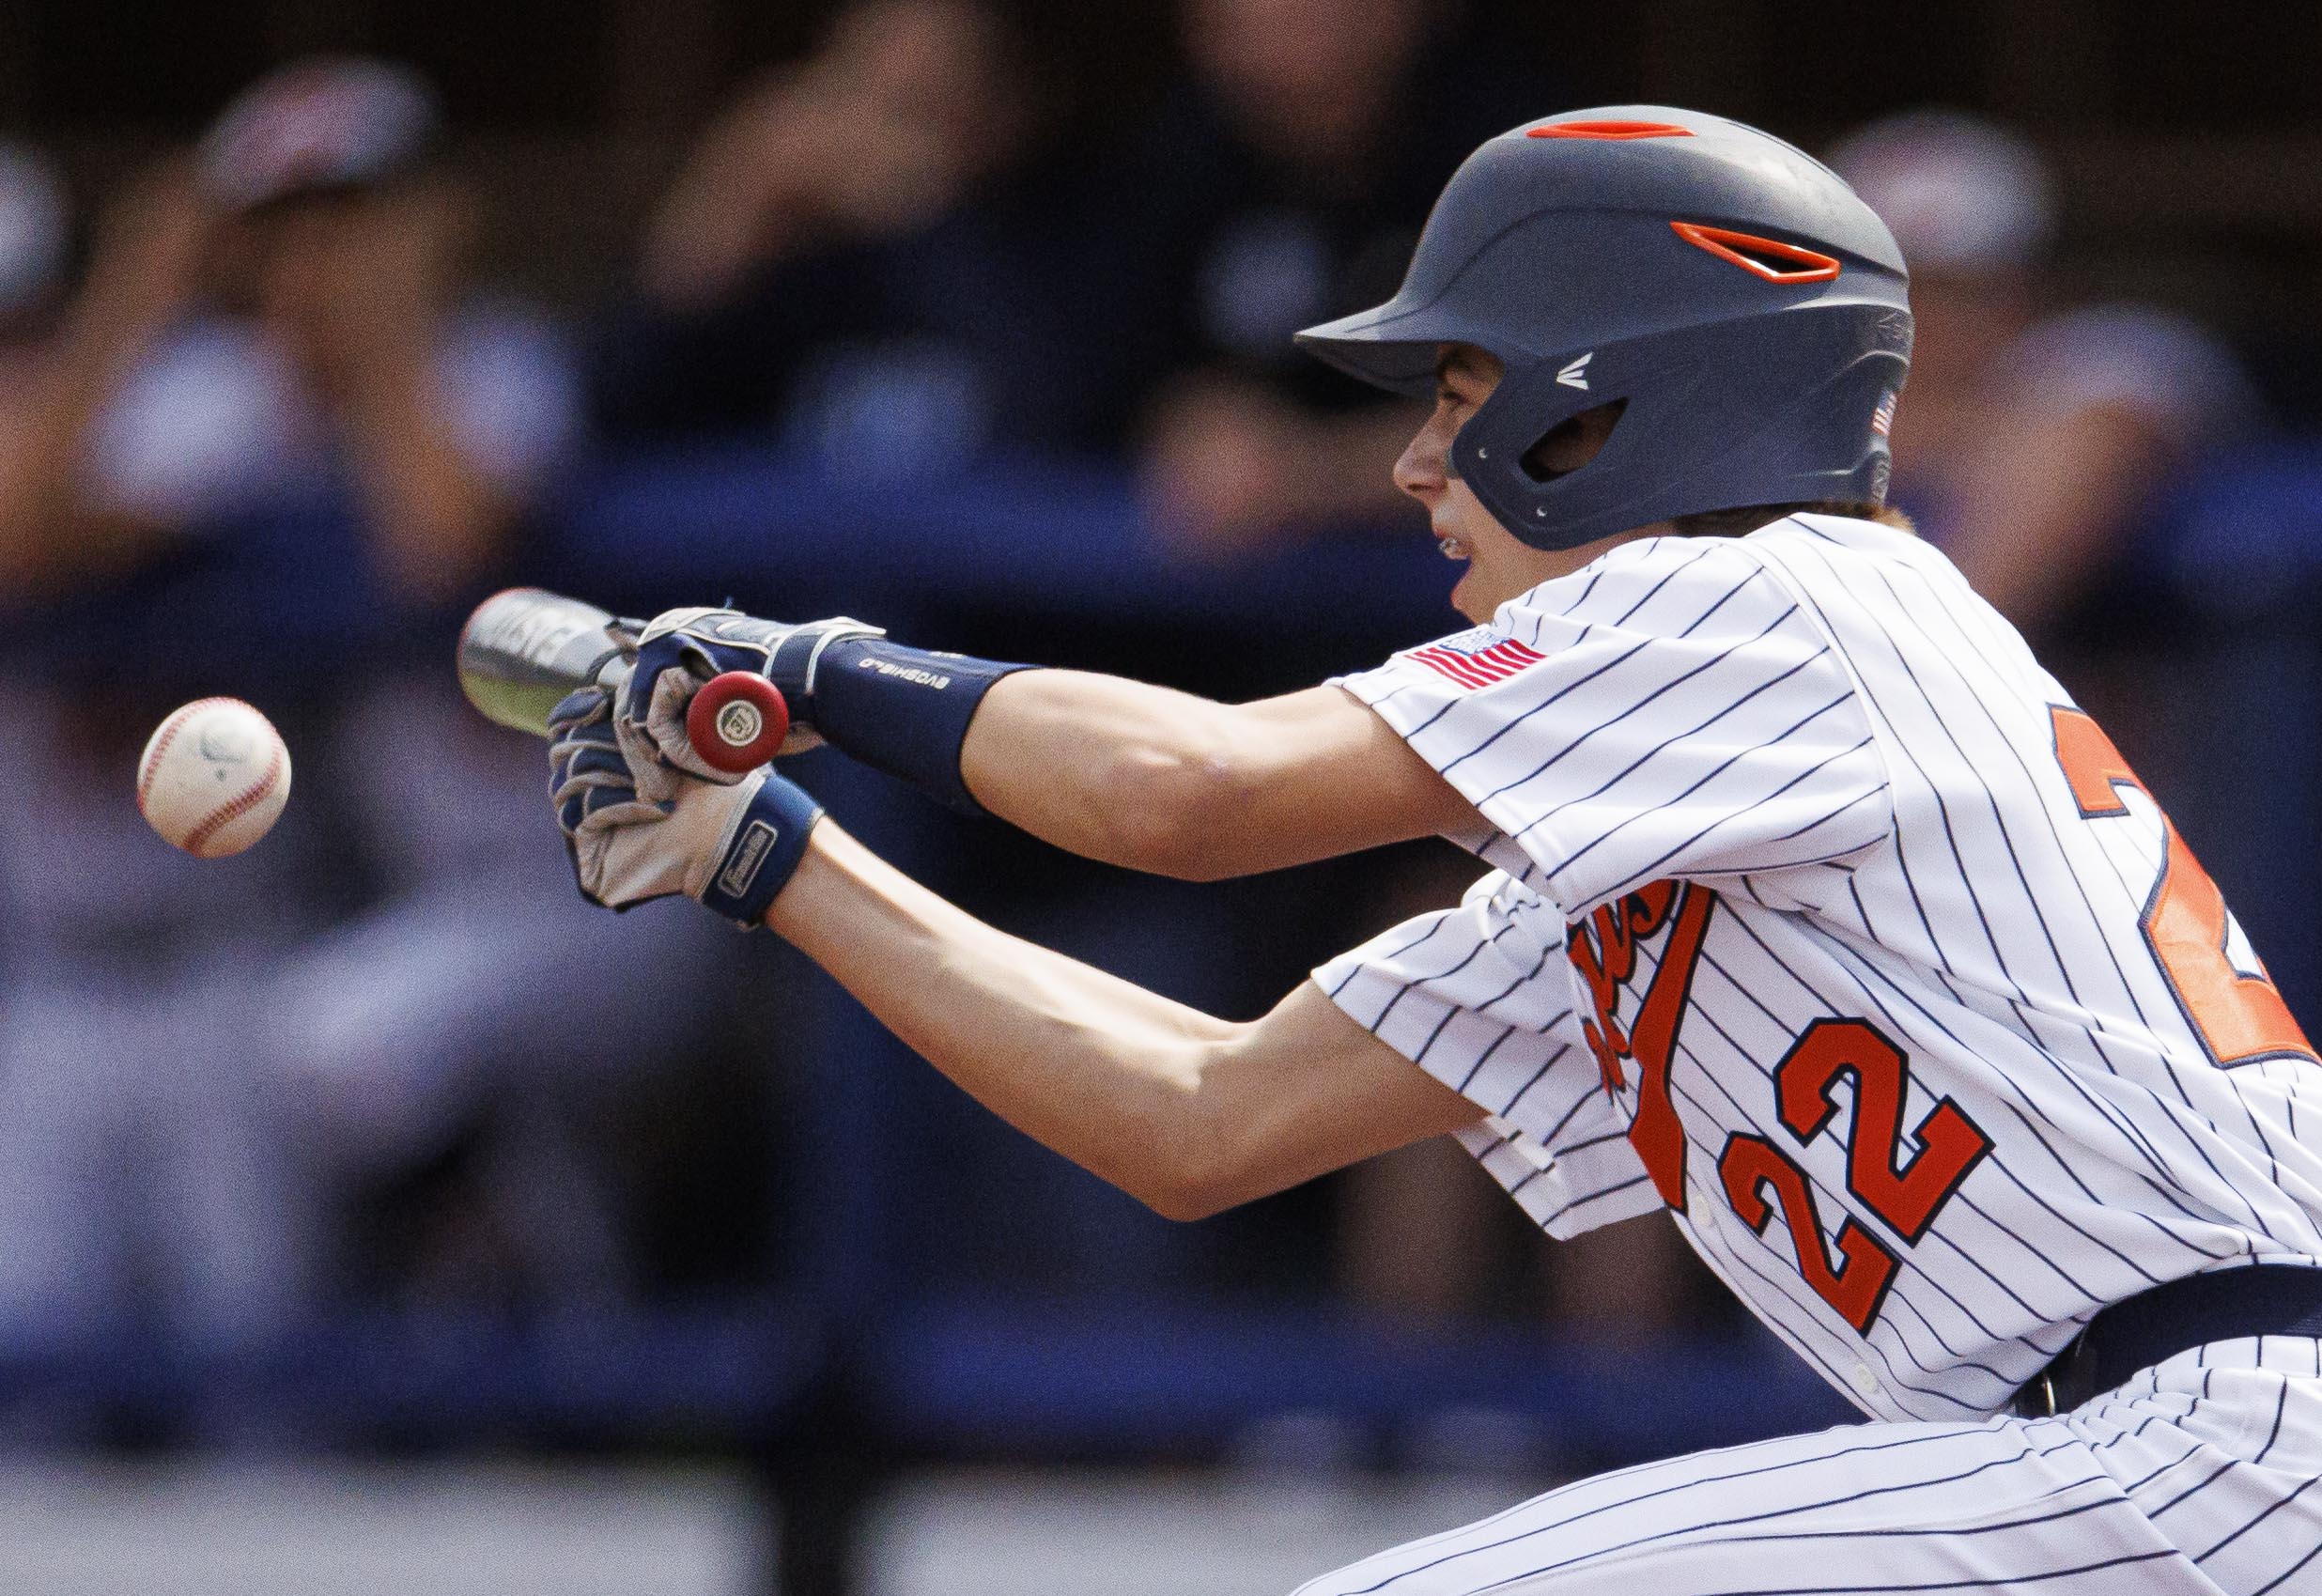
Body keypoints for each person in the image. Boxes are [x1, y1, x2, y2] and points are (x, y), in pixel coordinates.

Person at [544, 107, 2322, 1590]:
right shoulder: (1681, 802)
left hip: (2208, 1440)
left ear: (1613, 399)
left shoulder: (1767, 598)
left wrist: (814, 665)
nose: (1411, 466)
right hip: (2112, 1480)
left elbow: (1190, 792)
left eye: (1462, 388)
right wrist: (774, 860)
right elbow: (1204, 1115)